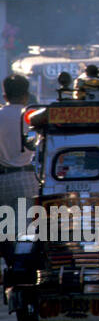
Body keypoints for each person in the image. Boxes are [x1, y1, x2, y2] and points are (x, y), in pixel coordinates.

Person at [0, 74, 37, 268]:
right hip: (26, 178)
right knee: (25, 228)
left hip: (2, 179)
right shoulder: (32, 116)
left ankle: (8, 264)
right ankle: (21, 267)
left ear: (5, 95)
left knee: (4, 229)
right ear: (26, 95)